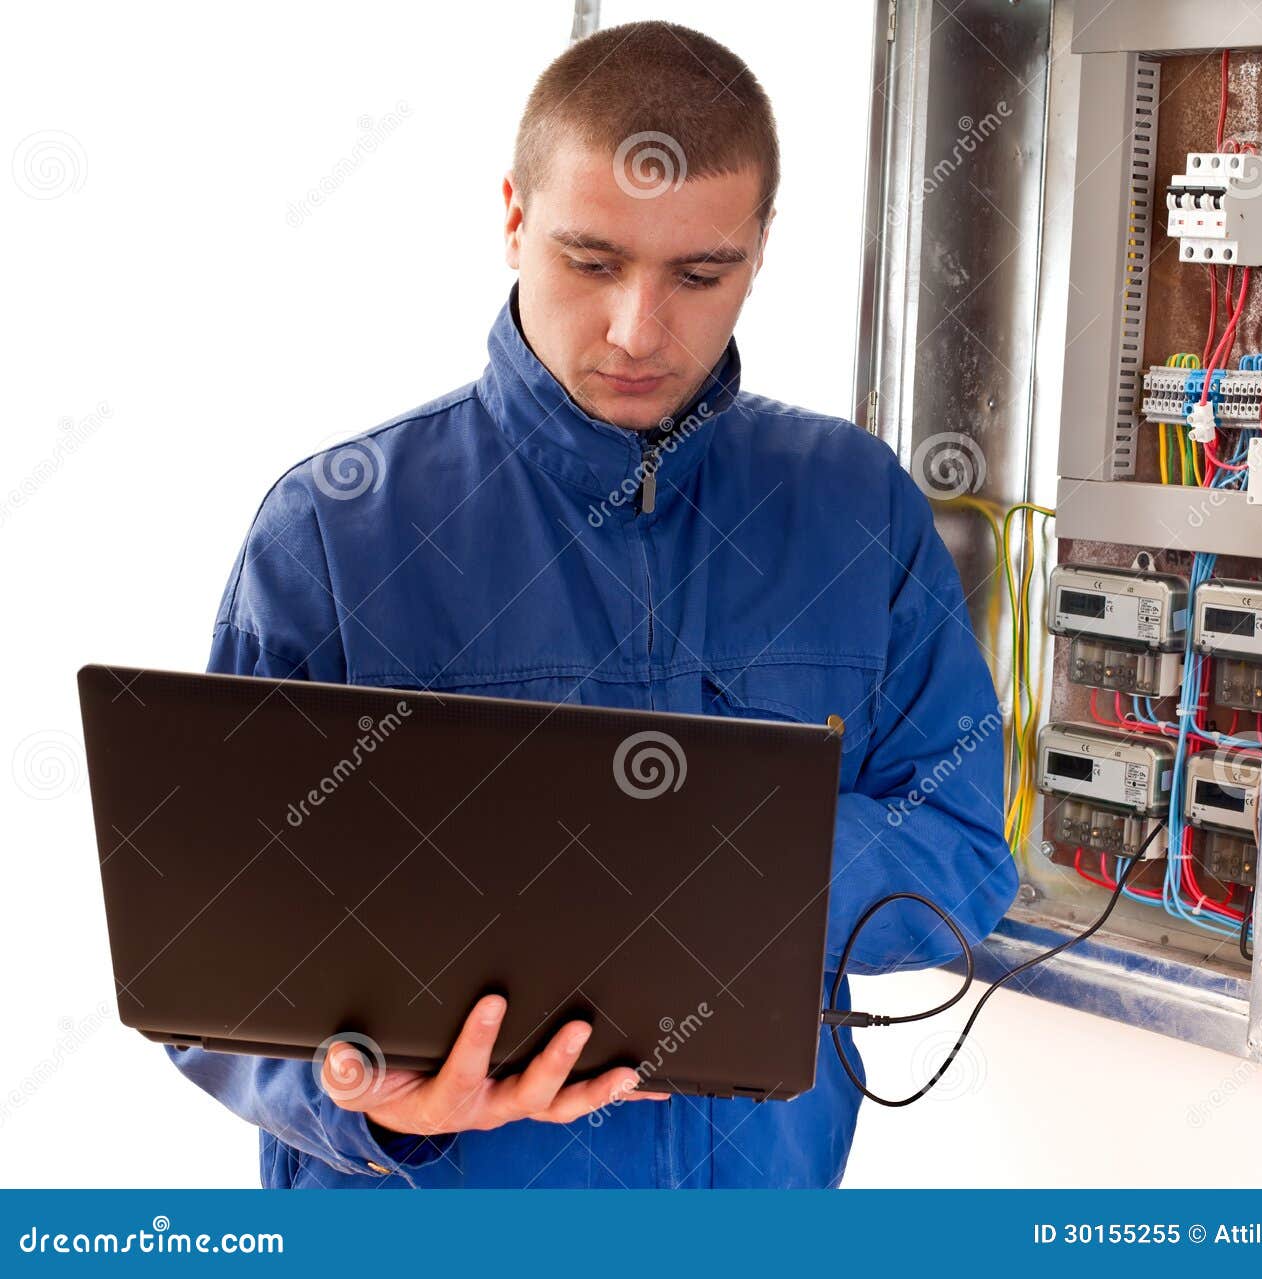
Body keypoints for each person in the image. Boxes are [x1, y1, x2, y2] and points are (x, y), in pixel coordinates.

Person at [172, 19, 1016, 1189]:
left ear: (760, 247)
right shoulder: (336, 528)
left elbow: (967, 853)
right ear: (513, 219)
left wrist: (731, 873)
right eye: (591, 261)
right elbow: (210, 962)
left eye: (698, 274)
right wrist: (374, 1099)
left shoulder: (854, 509)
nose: (637, 330)